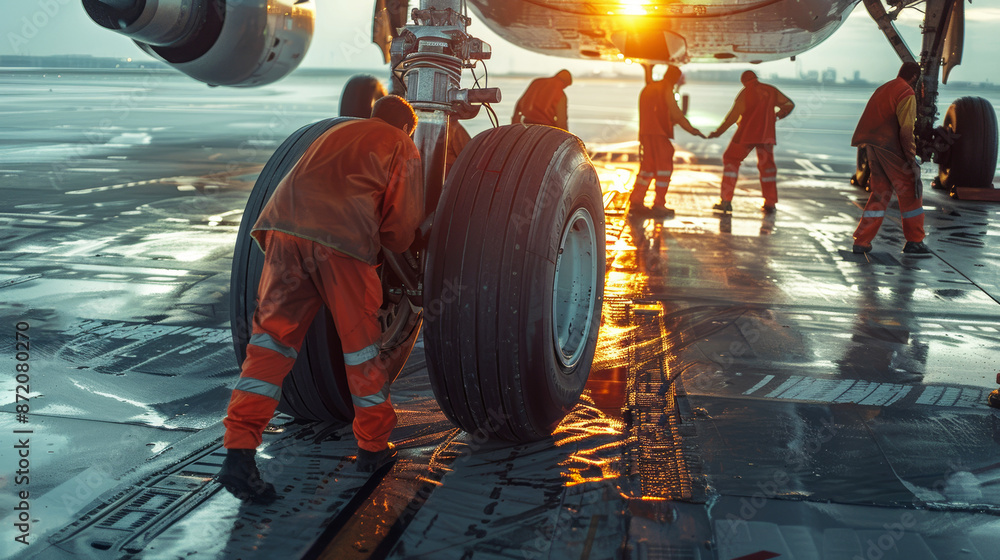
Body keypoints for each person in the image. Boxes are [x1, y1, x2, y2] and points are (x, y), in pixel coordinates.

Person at [217, 95, 424, 503]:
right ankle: (372, 448)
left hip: (282, 231)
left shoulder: (334, 131)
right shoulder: (400, 143)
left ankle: (238, 453)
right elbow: (400, 226)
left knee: (269, 348)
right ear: (405, 127)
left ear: (372, 115)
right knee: (362, 350)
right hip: (342, 241)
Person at [850, 62, 929, 254]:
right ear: (914, 77)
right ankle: (914, 241)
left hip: (872, 144)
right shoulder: (906, 92)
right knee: (911, 188)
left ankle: (861, 241)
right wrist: (911, 158)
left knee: (880, 192)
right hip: (889, 145)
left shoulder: (885, 87)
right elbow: (906, 131)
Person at [707, 71, 795, 214]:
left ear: (744, 81)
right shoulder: (771, 90)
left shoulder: (745, 93)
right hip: (766, 136)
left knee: (731, 159)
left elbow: (732, 116)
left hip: (746, 135)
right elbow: (789, 105)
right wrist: (776, 117)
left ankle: (726, 201)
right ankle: (770, 203)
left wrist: (718, 132)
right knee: (767, 168)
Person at [629, 65, 704, 218]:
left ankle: (636, 202)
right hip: (659, 133)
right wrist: (691, 129)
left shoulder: (649, 88)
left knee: (647, 168)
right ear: (675, 77)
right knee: (664, 169)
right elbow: (675, 113)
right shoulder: (666, 88)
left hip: (646, 133)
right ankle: (659, 204)